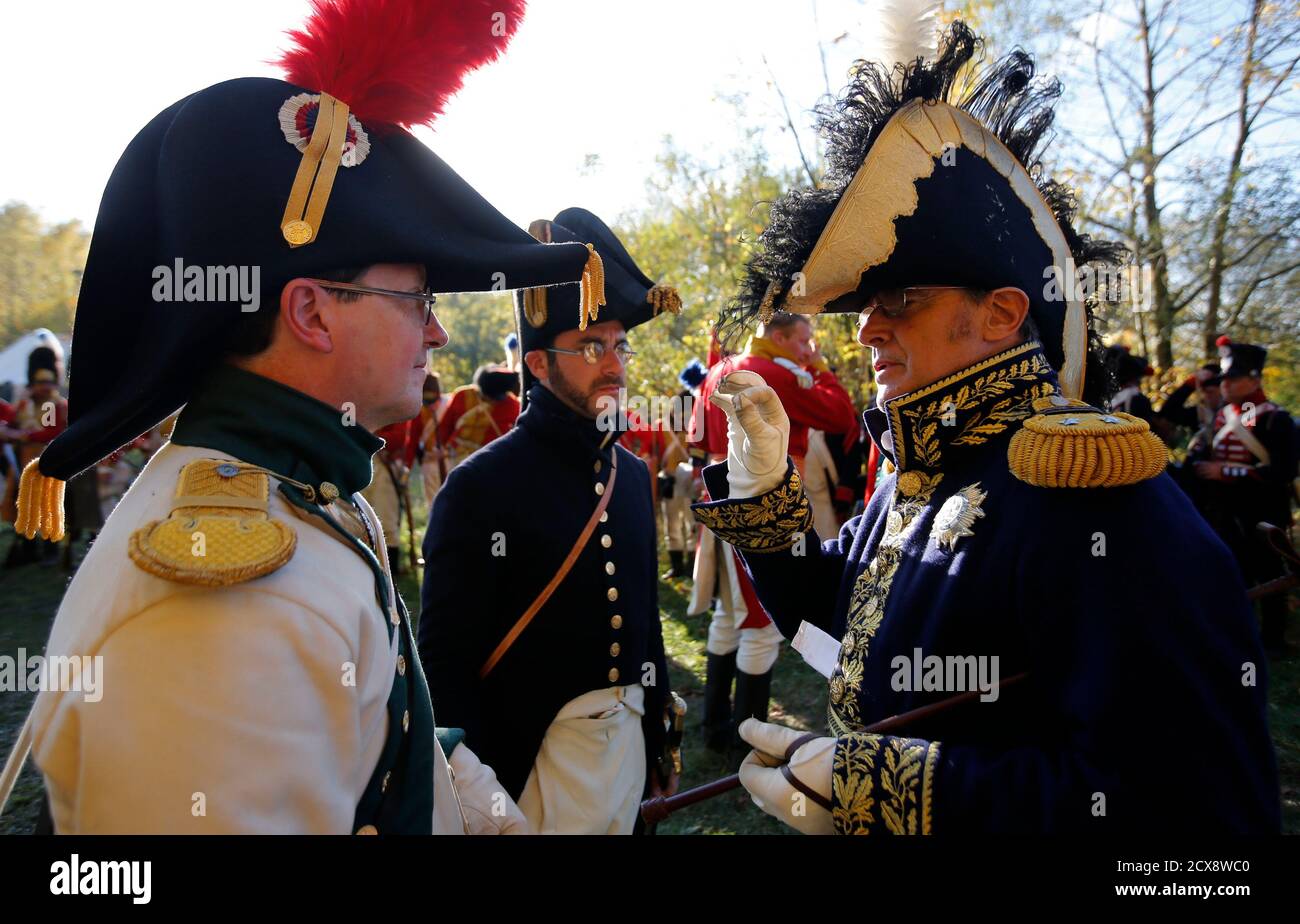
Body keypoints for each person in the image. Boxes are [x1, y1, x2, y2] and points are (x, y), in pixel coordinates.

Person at [12, 0, 605, 834]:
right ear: (313, 314)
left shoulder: (298, 489)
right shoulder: (223, 601)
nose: (435, 329)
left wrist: (437, 778)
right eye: (417, 298)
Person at [692, 20, 1278, 833]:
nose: (866, 331)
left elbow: (1194, 820)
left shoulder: (1094, 490)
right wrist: (761, 485)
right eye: (866, 307)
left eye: (901, 301)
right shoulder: (930, 464)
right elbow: (833, 610)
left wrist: (896, 790)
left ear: (1003, 313)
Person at [419, 207, 681, 834]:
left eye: (620, 344)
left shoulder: (632, 474)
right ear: (539, 364)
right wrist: (472, 797)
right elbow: (445, 667)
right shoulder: (478, 488)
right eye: (593, 346)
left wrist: (656, 732)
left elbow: (646, 630)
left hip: (623, 758)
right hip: (526, 774)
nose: (615, 364)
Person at [688, 312, 857, 750]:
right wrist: (818, 368)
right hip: (764, 504)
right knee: (760, 626)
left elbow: (698, 437)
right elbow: (840, 414)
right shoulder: (773, 372)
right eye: (804, 341)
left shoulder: (716, 371)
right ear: (779, 337)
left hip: (723, 500)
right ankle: (749, 742)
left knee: (728, 617)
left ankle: (715, 730)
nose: (808, 349)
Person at [1189, 337, 1297, 654]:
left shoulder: (1277, 419)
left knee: (1270, 573)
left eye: (1233, 378)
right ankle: (1239, 635)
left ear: (1254, 378)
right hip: (1225, 510)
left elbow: (1283, 472)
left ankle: (1273, 639)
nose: (1225, 385)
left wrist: (1226, 472)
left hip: (1263, 510)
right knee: (1234, 571)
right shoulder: (1224, 417)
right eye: (1224, 379)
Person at [2, 347, 68, 566]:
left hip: (45, 463)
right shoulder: (25, 403)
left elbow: (49, 431)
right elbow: (10, 420)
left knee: (46, 506)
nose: (43, 387)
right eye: (39, 383)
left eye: (46, 383)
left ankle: (50, 549)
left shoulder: (52, 404)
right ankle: (27, 548)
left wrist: (21, 435)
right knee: (21, 505)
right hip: (22, 463)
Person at [436, 364, 521, 469]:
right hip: (459, 458)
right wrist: (441, 446)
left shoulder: (511, 404)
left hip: (493, 459)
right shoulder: (462, 395)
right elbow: (445, 425)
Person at [414, 372, 451, 506]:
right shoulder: (417, 410)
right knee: (434, 505)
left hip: (450, 459)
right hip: (429, 461)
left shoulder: (449, 405)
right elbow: (413, 438)